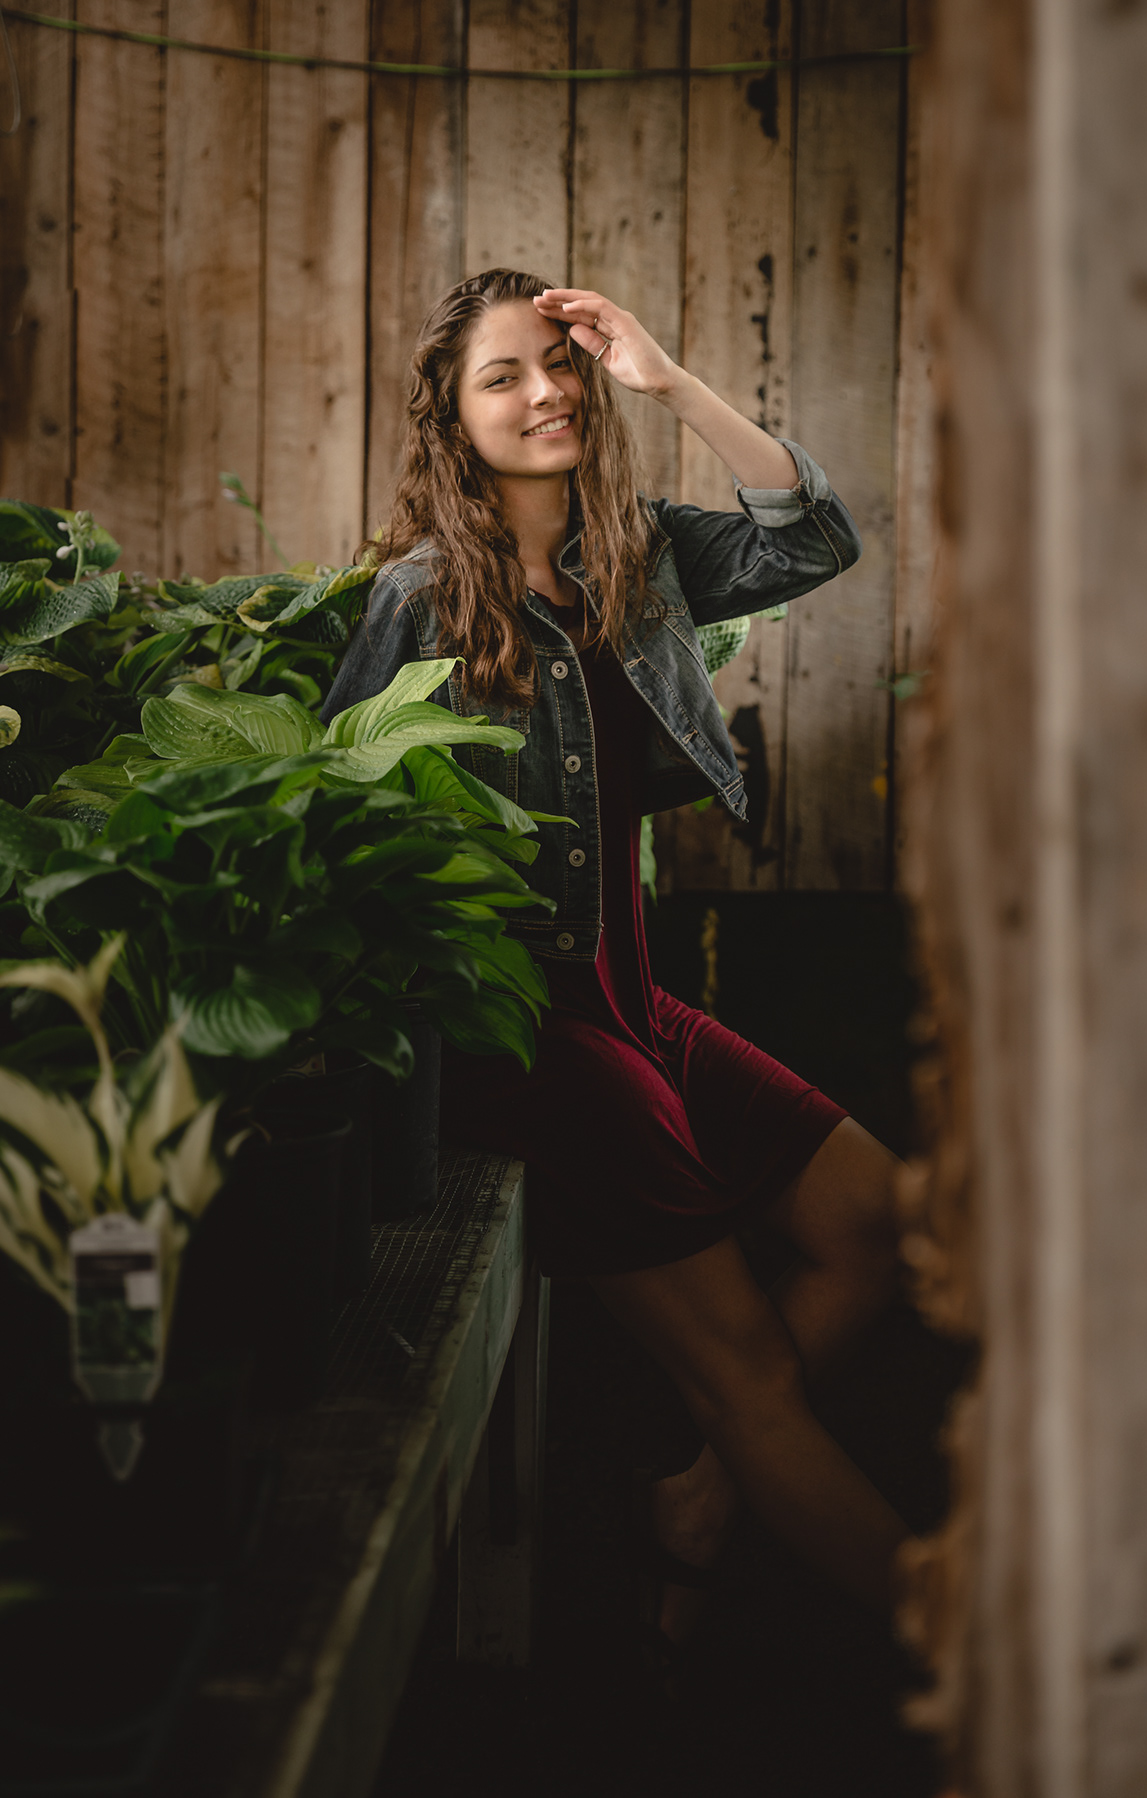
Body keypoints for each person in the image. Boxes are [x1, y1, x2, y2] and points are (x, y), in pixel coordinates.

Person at [323, 267, 908, 1676]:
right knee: (753, 1377)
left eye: (558, 364)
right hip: (531, 1036)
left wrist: (668, 378)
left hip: (635, 998)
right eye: (505, 377)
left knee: (883, 1223)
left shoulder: (635, 559)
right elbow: (331, 825)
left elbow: (815, 535)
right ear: (452, 421)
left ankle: (699, 1501)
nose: (546, 392)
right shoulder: (416, 601)